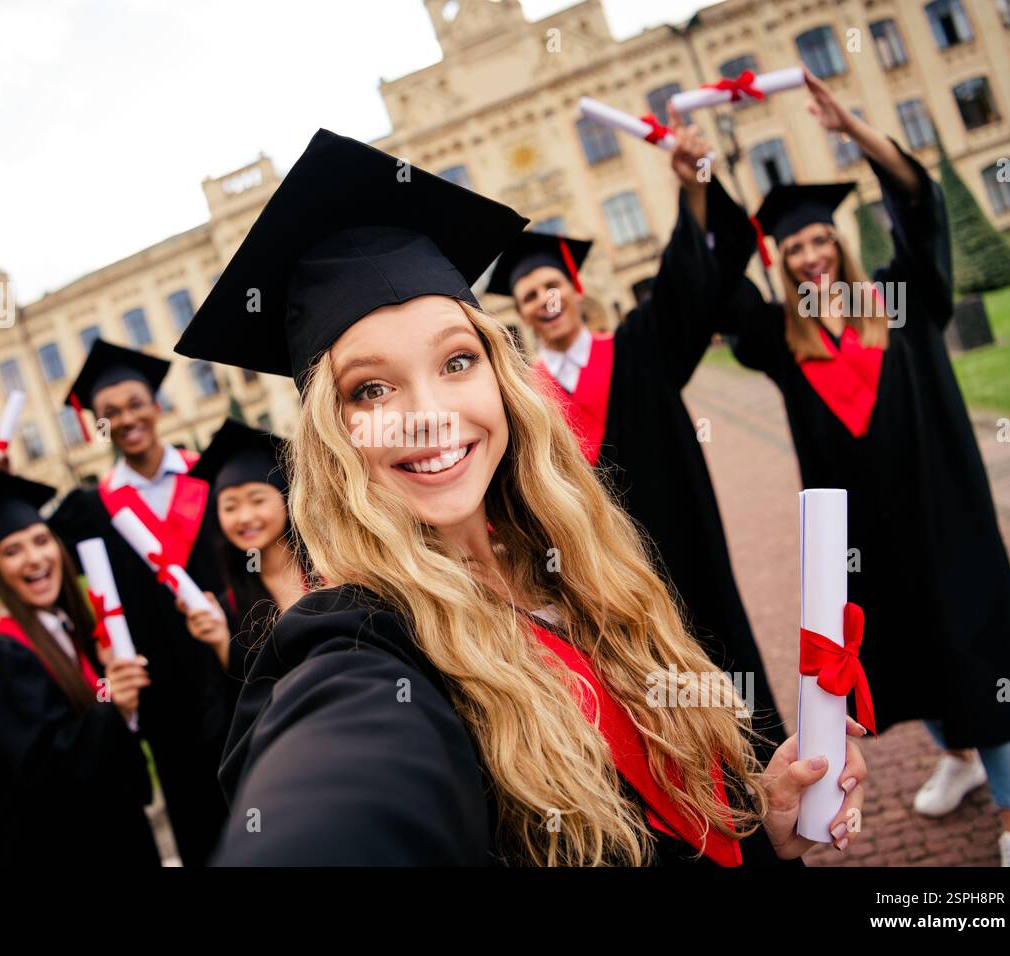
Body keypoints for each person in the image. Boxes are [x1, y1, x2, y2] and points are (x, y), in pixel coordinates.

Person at [175, 128, 867, 866]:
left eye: (457, 360)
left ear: (503, 380)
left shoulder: (580, 566)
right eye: (370, 388)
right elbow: (342, 788)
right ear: (331, 433)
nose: (429, 413)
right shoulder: (358, 646)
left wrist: (760, 825)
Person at [718, 71, 1010, 866]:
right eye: (793, 248)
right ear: (785, 263)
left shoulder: (898, 303)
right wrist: (702, 178)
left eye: (819, 240)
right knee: (904, 655)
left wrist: (858, 132)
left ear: (838, 243)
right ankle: (960, 760)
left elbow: (920, 208)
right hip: (865, 543)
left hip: (948, 520)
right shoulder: (781, 344)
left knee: (975, 658)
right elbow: (719, 293)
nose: (810, 255)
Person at [485, 115, 785, 762]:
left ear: (576, 289)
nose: (543, 299)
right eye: (530, 293)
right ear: (521, 310)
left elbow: (691, 277)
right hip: (599, 583)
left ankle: (762, 786)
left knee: (726, 673)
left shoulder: (642, 347)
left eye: (551, 286)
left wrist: (696, 186)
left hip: (687, 560)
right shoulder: (523, 401)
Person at [0, 339, 233, 866]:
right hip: (162, 709)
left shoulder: (214, 480)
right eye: (109, 413)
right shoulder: (87, 512)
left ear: (158, 408)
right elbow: (26, 550)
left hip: (238, 677)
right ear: (98, 426)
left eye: (136, 404)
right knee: (200, 833)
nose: (127, 418)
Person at [0, 470, 160, 868]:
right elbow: (46, 773)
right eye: (12, 550)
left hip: (114, 835)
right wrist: (115, 708)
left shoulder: (68, 632)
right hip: (64, 850)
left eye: (41, 541)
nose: (35, 558)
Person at [179, 418, 308, 685]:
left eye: (257, 500)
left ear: (286, 500)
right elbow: (241, 699)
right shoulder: (229, 609)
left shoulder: (333, 572)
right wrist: (221, 644)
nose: (245, 517)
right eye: (230, 507)